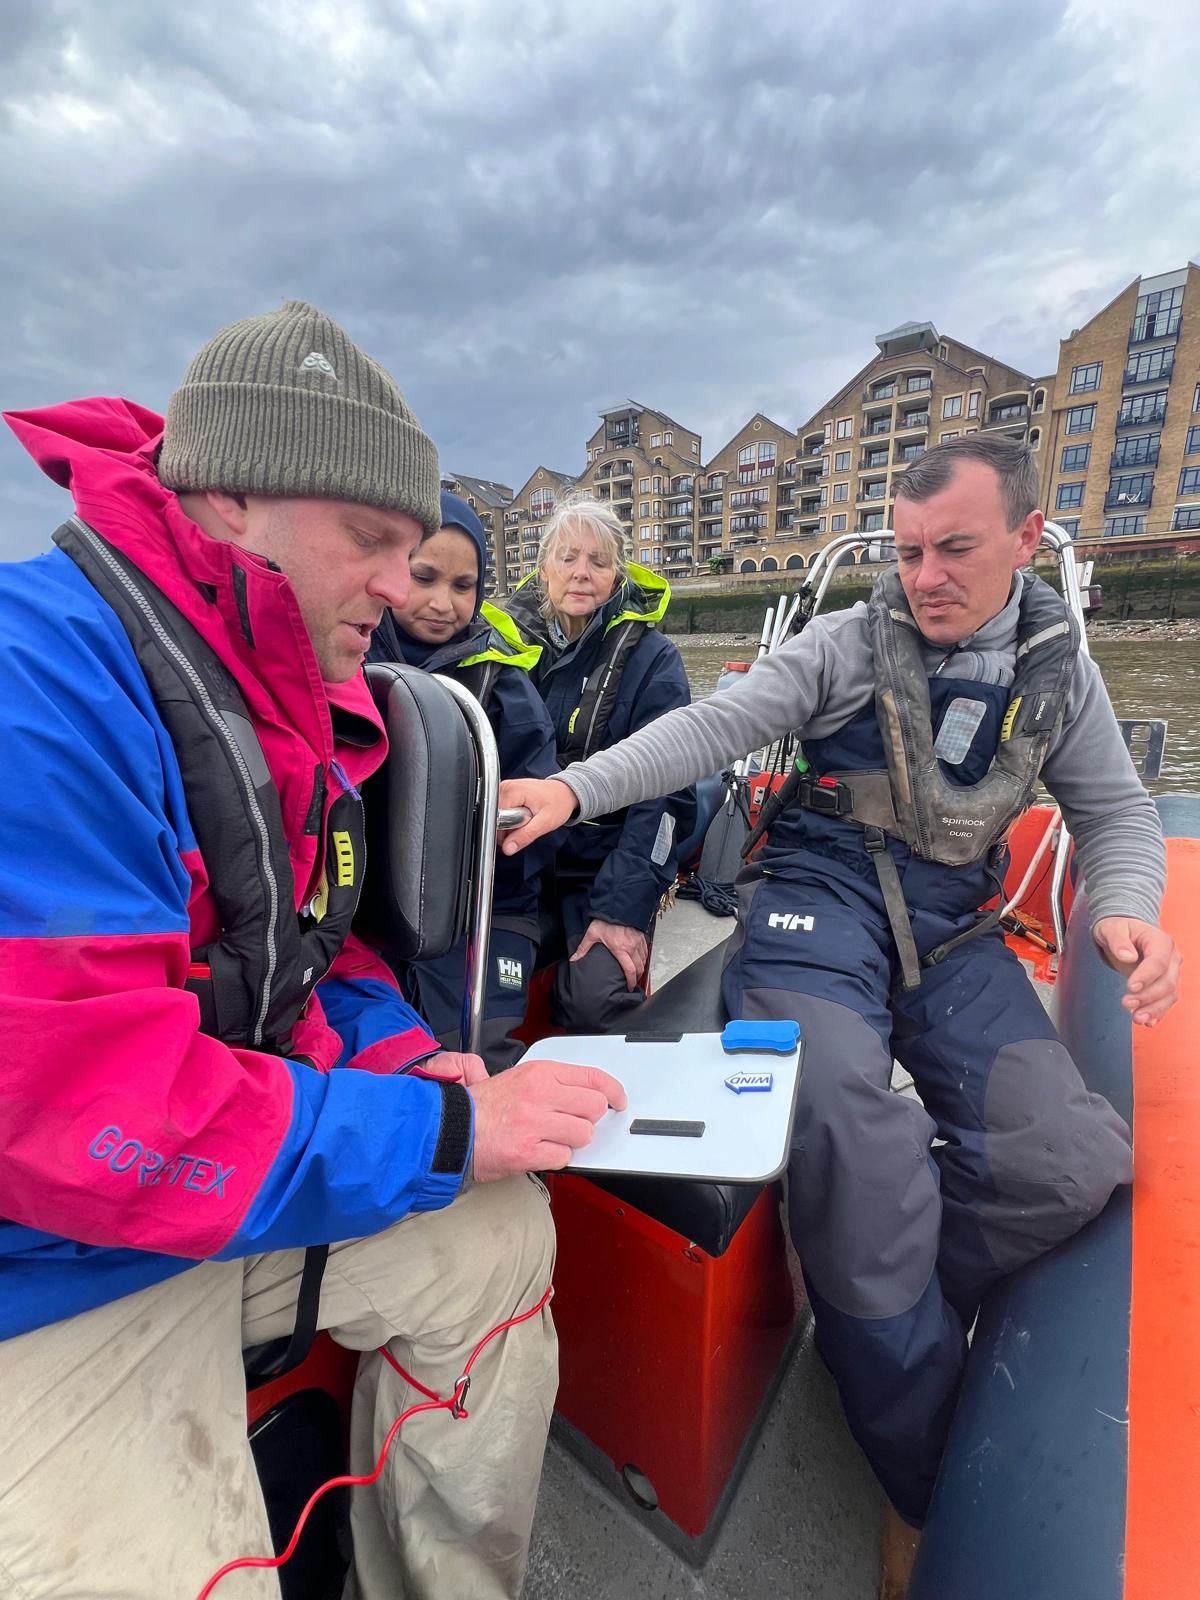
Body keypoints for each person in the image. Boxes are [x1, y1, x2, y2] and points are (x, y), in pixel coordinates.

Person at [0, 301, 625, 1600]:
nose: (405, 588)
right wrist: (441, 1139)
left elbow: (314, 957)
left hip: (203, 1196)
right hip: (45, 1264)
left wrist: (417, 1071)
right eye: (371, 541)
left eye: (415, 550)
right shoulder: (37, 687)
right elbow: (81, 1110)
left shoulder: (286, 695)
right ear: (227, 501)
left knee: (499, 1237)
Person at [499, 436, 1180, 1593]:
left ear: (1026, 538)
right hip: (819, 907)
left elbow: (1115, 816)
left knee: (1071, 1161)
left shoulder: (1066, 672)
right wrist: (574, 786)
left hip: (957, 927)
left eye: (955, 548)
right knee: (855, 1142)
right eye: (910, 551)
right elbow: (709, 732)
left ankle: (893, 1313)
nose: (925, 575)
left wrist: (1123, 913)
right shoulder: (849, 643)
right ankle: (915, 1481)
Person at [367, 489, 559, 1071]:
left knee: (476, 1051)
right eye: (423, 577)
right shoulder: (344, 659)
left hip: (488, 905)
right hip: (365, 906)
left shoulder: (506, 690)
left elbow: (535, 826)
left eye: (462, 585)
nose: (442, 602)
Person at [502, 496, 696, 1031]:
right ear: (543, 569)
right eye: (567, 557)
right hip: (520, 864)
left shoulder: (654, 661)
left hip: (606, 868)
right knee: (479, 990)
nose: (581, 573)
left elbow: (667, 795)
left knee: (593, 1000)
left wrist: (623, 912)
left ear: (618, 574)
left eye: (599, 561)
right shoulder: (499, 651)